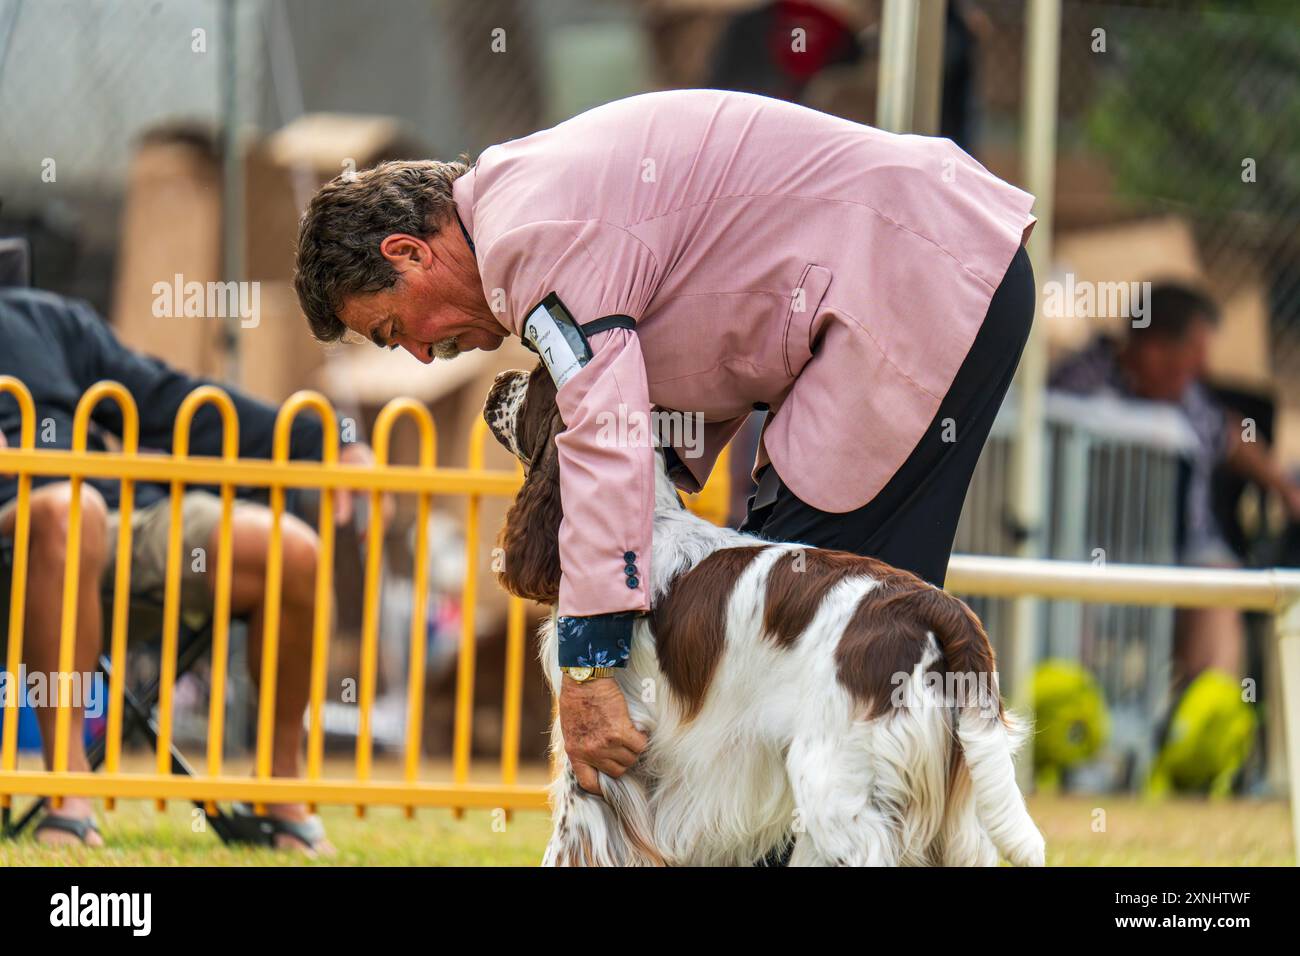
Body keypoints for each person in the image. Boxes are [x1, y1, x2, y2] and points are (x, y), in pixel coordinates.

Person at [292, 89, 1036, 801]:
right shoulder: (524, 201)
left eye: (395, 331)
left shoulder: (526, 239)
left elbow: (606, 435)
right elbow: (694, 342)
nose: (421, 357)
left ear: (408, 252)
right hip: (921, 265)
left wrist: (587, 670)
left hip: (924, 270)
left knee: (795, 654)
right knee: (794, 649)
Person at [0, 286, 376, 851]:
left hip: (119, 520)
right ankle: (66, 788)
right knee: (68, 511)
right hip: (20, 532)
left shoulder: (38, 317)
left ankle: (277, 787)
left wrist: (326, 437)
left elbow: (168, 401)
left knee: (290, 550)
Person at [1050, 283, 1300, 687]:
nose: (1203, 370)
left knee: (1220, 583)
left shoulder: (1186, 397)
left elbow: (1231, 436)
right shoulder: (1081, 383)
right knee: (1069, 585)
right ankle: (1073, 709)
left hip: (1183, 553)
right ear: (1153, 348)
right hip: (1092, 550)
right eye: (1194, 354)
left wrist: (1285, 487)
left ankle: (1200, 719)